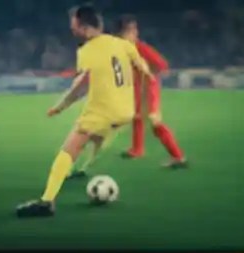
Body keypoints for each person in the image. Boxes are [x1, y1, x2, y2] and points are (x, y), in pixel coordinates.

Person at [15, 5, 153, 218]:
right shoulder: (123, 44)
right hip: (125, 111)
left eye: (75, 26)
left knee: (68, 149)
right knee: (97, 137)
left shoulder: (87, 51)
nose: (72, 30)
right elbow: (144, 70)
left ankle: (47, 201)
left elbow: (81, 86)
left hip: (102, 111)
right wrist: (143, 103)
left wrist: (61, 106)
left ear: (85, 27)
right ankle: (83, 167)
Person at [118, 15, 187, 167]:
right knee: (137, 118)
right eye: (130, 30)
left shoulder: (141, 48)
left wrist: (149, 75)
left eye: (134, 30)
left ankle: (178, 157)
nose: (134, 33)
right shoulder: (124, 50)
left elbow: (162, 65)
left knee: (155, 123)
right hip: (137, 91)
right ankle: (137, 150)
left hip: (148, 92)